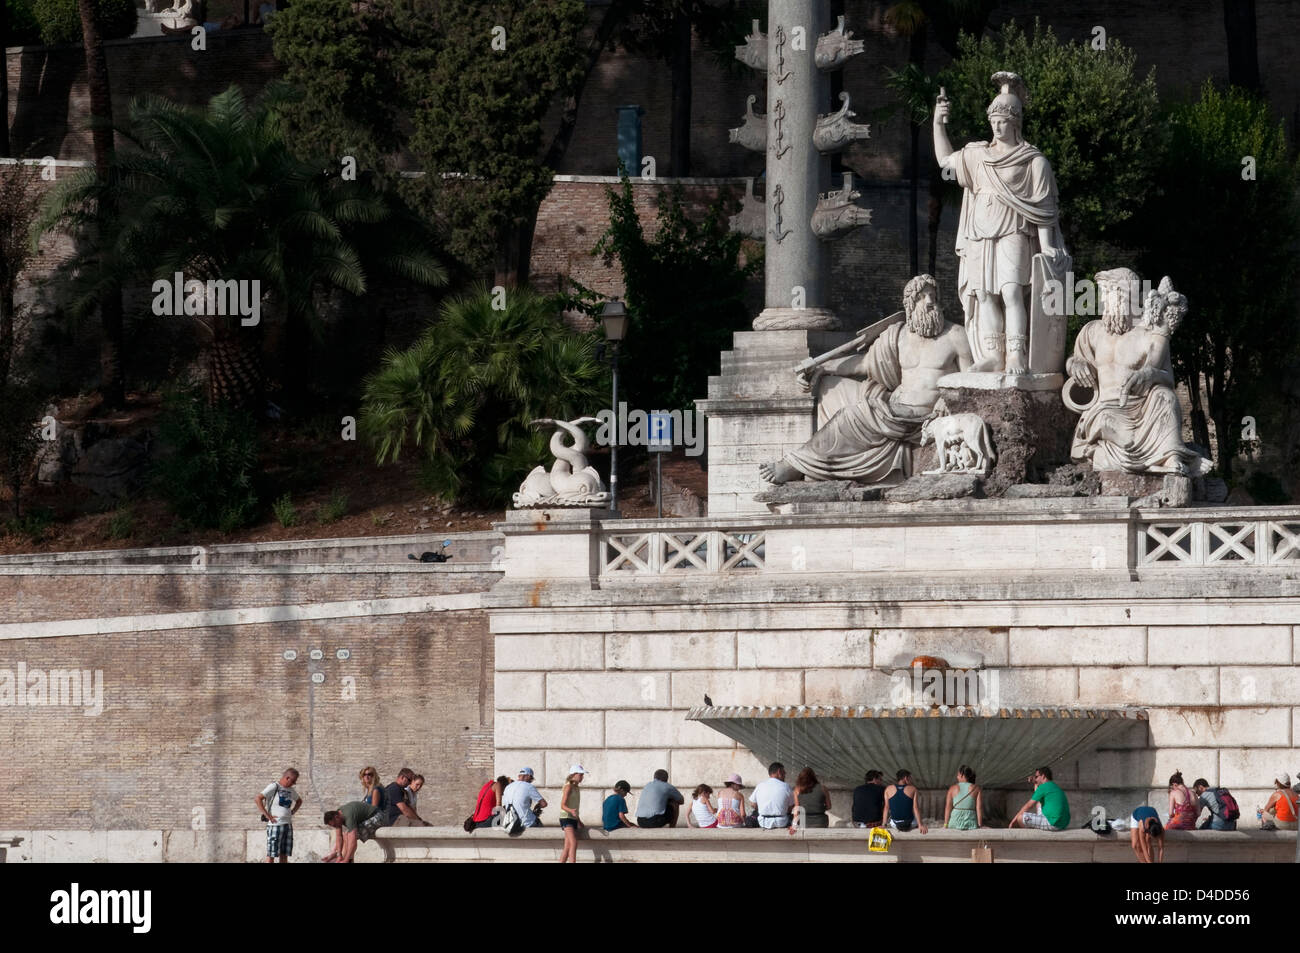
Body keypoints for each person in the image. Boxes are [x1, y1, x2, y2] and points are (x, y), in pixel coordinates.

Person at [760, 274, 973, 486]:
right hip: (893, 408)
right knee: (831, 386)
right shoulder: (898, 336)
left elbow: (969, 379)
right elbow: (865, 364)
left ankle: (795, 465)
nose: (929, 302)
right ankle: (819, 468)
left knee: (851, 415)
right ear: (910, 304)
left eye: (933, 297)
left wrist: (949, 399)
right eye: (922, 297)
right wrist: (823, 367)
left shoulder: (955, 335)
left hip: (924, 417)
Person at [933, 71, 1067, 374]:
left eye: (1003, 120)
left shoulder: (1034, 161)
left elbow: (1043, 209)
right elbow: (944, 161)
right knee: (984, 295)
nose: (997, 125)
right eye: (993, 119)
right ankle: (994, 355)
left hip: (1013, 231)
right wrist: (938, 123)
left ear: (1016, 122)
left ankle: (1016, 354)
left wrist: (1046, 247)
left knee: (1011, 292)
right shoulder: (976, 154)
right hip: (980, 233)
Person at [1066, 271, 1209, 476]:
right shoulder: (1092, 331)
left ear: (1122, 296)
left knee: (1165, 396)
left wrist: (1150, 374)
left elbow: (1168, 379)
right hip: (1104, 408)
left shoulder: (1149, 334)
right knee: (1106, 418)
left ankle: (1170, 456)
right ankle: (1148, 457)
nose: (1102, 300)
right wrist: (1075, 365)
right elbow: (1074, 360)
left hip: (1141, 408)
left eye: (1106, 294)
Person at [256, 767, 302, 863]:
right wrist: (268, 815)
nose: (293, 784)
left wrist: (292, 812)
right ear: (287, 778)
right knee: (271, 855)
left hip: (288, 825)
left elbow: (299, 801)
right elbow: (258, 799)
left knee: (284, 855)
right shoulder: (274, 786)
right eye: (293, 781)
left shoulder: (291, 790)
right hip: (275, 825)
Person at [1008, 766, 1070, 831]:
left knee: (1020, 818)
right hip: (1063, 823)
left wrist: (1013, 821)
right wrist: (1035, 782)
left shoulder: (1043, 787)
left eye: (1036, 777)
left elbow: (1028, 806)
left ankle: (1032, 838)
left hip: (1053, 823)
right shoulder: (1053, 786)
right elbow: (1037, 793)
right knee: (1039, 803)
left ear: (1043, 776)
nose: (1036, 779)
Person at [882, 769, 927, 834]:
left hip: (895, 824)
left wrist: (884, 824)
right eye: (910, 778)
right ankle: (917, 825)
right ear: (906, 778)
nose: (911, 780)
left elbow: (886, 808)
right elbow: (916, 808)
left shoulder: (888, 789)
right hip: (910, 824)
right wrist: (920, 825)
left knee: (891, 819)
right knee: (917, 821)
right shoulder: (913, 789)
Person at [751, 762, 794, 830]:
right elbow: (792, 807)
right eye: (784, 772)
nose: (785, 774)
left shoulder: (760, 786)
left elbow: (753, 804)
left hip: (763, 822)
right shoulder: (786, 786)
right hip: (781, 822)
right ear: (779, 771)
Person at [558, 764, 586, 863]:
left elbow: (574, 807)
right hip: (566, 817)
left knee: (567, 846)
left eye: (583, 775)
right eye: (581, 774)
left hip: (572, 818)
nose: (582, 777)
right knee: (574, 842)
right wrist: (571, 811)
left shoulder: (576, 788)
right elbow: (563, 805)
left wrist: (579, 820)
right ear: (574, 774)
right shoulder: (568, 787)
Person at [790, 767, 831, 831]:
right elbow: (829, 806)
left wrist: (794, 826)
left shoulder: (797, 790)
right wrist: (819, 808)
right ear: (814, 777)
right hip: (821, 823)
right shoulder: (823, 788)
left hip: (804, 823)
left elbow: (796, 811)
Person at [944, 765, 982, 830]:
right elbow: (979, 808)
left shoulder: (952, 788)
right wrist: (980, 825)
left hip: (955, 822)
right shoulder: (976, 789)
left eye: (958, 775)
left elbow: (948, 808)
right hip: (971, 823)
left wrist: (945, 824)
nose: (957, 777)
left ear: (962, 775)